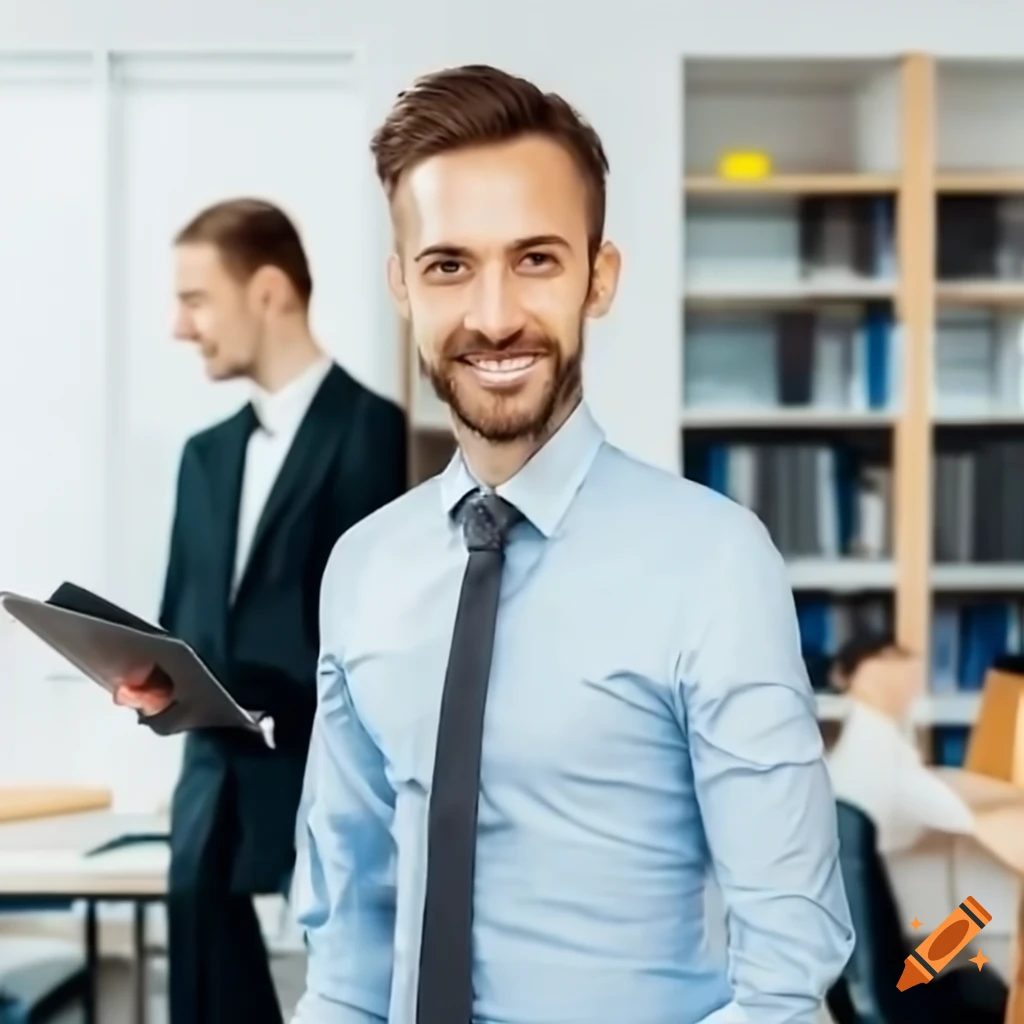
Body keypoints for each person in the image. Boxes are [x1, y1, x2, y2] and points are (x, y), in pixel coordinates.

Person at [291, 65, 854, 1024]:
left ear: (600, 277)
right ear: (402, 285)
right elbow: (348, 944)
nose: (496, 314)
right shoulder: (363, 569)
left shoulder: (714, 562)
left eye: (537, 259)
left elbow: (786, 969)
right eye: (449, 265)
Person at [114, 198, 407, 1024]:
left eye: (196, 299)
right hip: (206, 819)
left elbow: (382, 652)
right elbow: (184, 629)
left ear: (270, 290)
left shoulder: (378, 436)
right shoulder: (202, 459)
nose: (180, 326)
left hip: (320, 812)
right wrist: (148, 677)